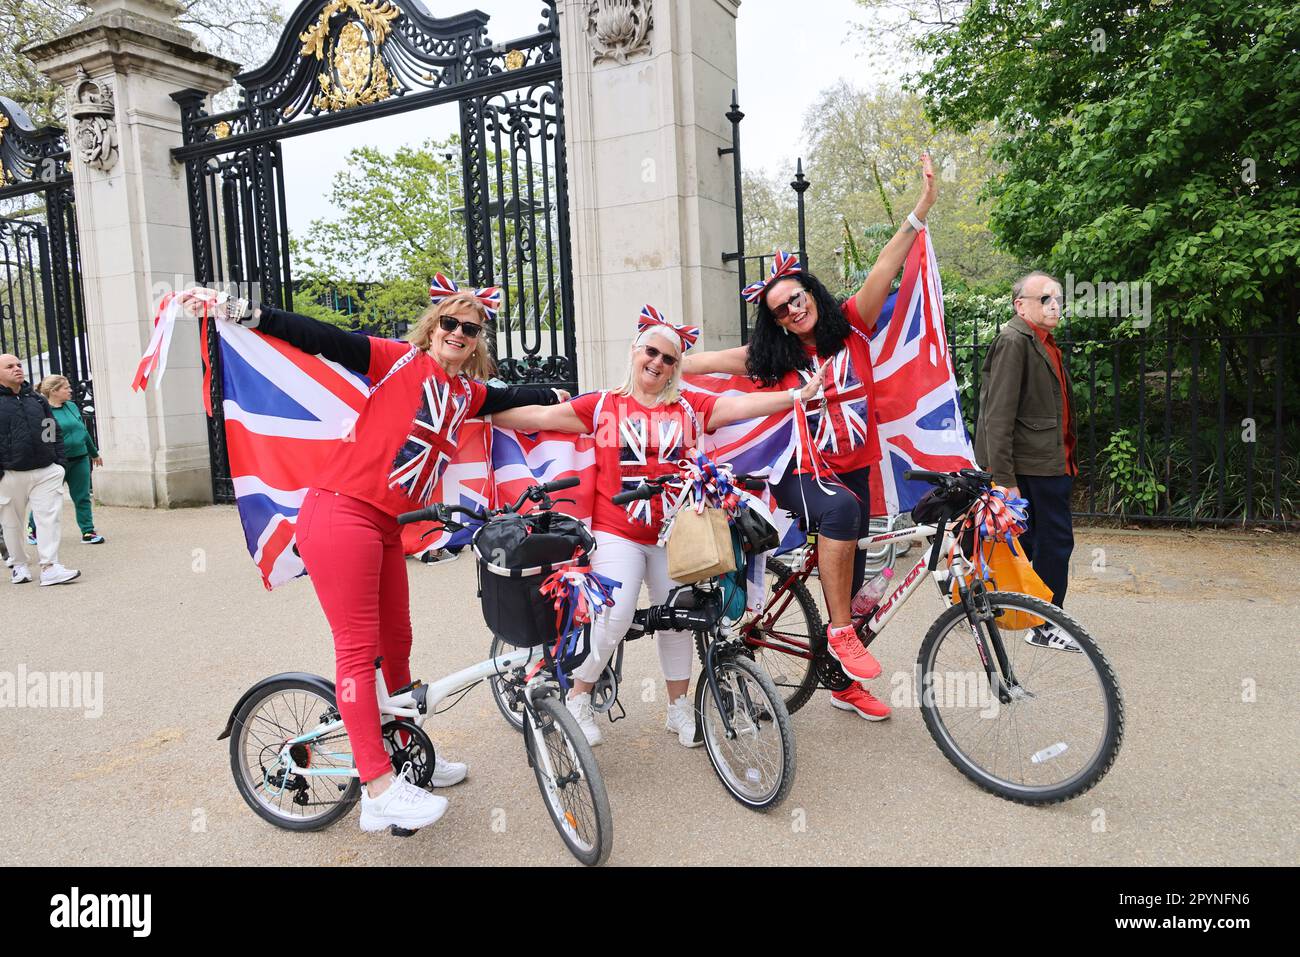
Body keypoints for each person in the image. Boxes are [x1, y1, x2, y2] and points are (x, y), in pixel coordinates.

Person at [210, 284, 567, 832]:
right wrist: (245, 312)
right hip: (339, 512)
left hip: (386, 525)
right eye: (448, 322)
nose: (456, 333)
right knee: (357, 650)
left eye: (469, 329)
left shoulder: (468, 394)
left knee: (397, 642)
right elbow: (322, 337)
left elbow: (522, 395)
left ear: (476, 342)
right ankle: (377, 788)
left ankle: (406, 751)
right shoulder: (399, 360)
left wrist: (603, 394)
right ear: (432, 327)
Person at [491, 306, 826, 746]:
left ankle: (678, 710)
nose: (658, 363)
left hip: (676, 535)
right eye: (652, 352)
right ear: (635, 351)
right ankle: (579, 695)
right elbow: (537, 419)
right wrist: (479, 411)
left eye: (669, 358)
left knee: (678, 620)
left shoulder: (690, 405)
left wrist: (795, 397)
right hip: (617, 532)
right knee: (617, 614)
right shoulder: (603, 404)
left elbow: (739, 405)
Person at [682, 155, 939, 721]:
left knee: (857, 578)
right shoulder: (772, 358)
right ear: (773, 320)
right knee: (842, 516)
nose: (793, 309)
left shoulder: (851, 326)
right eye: (780, 309)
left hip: (854, 463)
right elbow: (690, 362)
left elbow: (884, 266)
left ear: (812, 294)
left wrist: (919, 211)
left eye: (797, 298)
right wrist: (652, 357)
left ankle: (841, 675)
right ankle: (840, 634)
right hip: (800, 470)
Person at [973, 271, 1080, 652]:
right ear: (1021, 306)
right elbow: (997, 414)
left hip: (1050, 463)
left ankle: (1031, 615)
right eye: (1045, 298)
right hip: (1032, 467)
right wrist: (1003, 477)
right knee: (1054, 543)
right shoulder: (1015, 340)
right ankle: (1047, 623)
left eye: (1058, 299)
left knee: (1038, 543)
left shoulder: (1043, 340)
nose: (1055, 305)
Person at [0, 354, 80, 586]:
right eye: (9, 366)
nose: (17, 369)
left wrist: (59, 463)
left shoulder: (36, 399)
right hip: (10, 473)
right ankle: (19, 565)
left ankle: (49, 567)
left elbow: (51, 430)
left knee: (49, 518)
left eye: (18, 365)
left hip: (45, 470)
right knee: (11, 523)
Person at [26, 376, 104, 545]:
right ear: (53, 391)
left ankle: (88, 531)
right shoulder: (44, 411)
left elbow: (83, 431)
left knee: (82, 497)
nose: (70, 390)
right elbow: (47, 441)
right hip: (57, 462)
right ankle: (33, 529)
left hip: (80, 459)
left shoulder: (72, 406)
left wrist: (93, 453)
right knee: (47, 499)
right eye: (66, 388)